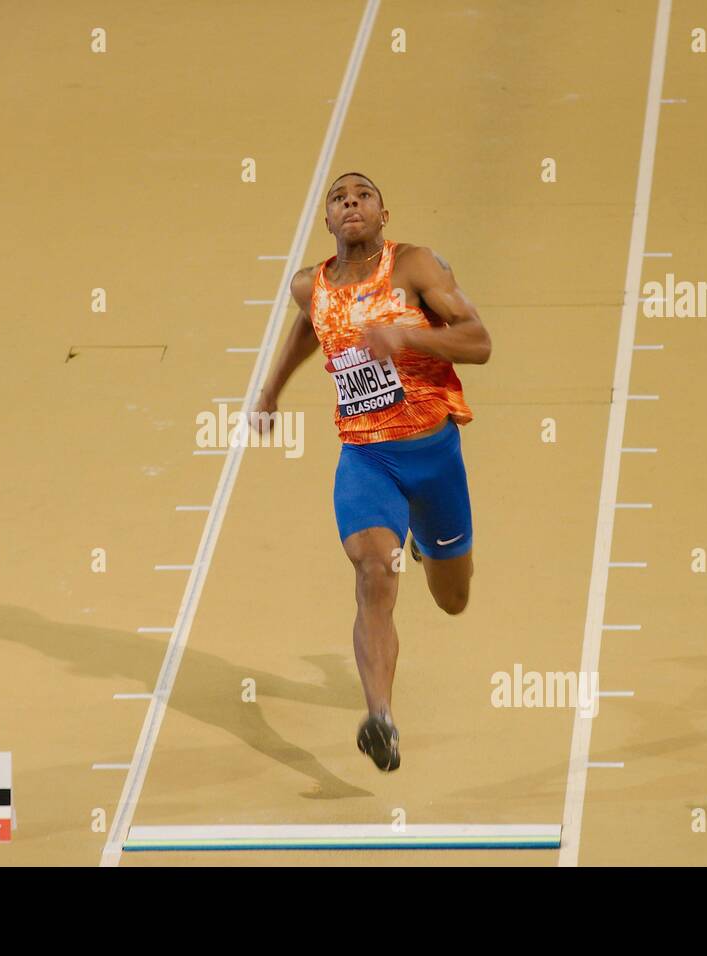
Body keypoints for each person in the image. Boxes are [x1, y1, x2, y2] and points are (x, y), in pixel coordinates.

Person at [254, 172, 492, 771]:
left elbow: (479, 341)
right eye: (339, 198)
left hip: (433, 457)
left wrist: (408, 338)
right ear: (328, 221)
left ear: (384, 214)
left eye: (362, 195)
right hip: (366, 458)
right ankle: (380, 717)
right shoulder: (310, 285)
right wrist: (270, 393)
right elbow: (309, 329)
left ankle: (426, 544)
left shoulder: (414, 267)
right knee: (371, 574)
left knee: (453, 599)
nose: (350, 202)